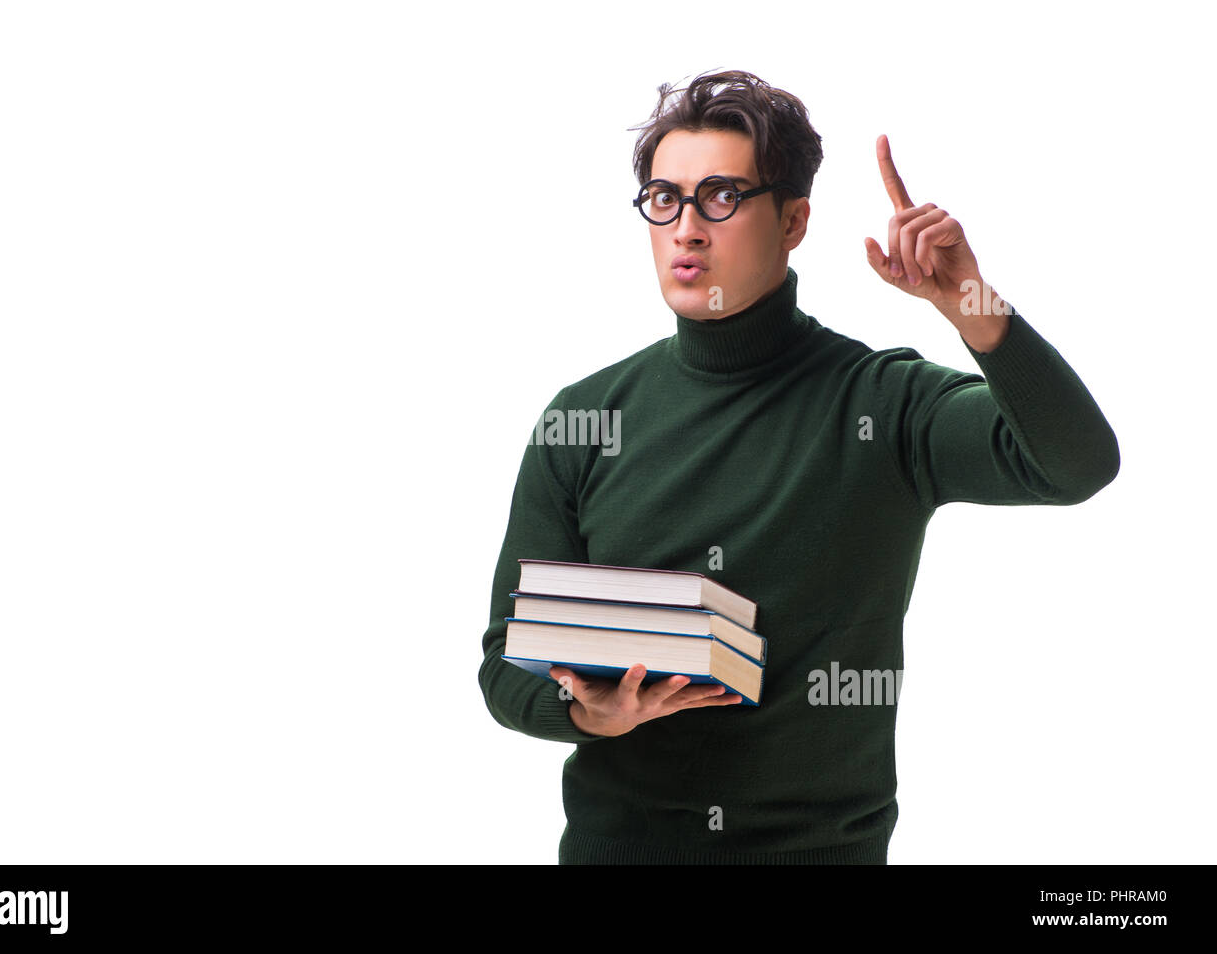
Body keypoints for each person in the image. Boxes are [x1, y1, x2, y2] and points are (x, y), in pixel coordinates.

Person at [476, 69, 1119, 864]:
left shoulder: (883, 404)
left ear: (794, 220)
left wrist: (973, 306)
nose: (686, 227)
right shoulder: (583, 418)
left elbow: (1077, 464)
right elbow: (506, 661)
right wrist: (589, 714)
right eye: (664, 198)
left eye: (719, 196)